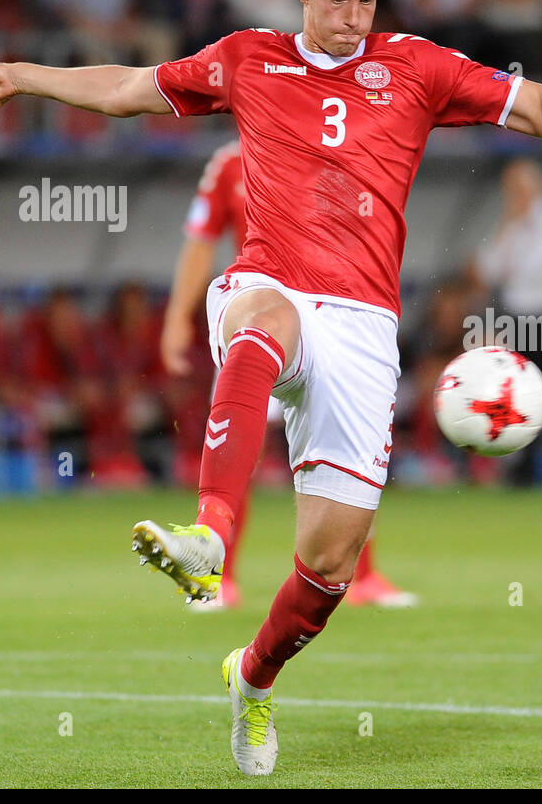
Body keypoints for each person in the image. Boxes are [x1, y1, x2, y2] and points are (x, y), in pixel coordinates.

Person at [0, 0, 542, 777]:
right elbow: (128, 86)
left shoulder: (418, 67)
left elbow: (541, 101)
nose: (352, 16)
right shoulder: (247, 58)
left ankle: (251, 679)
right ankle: (210, 537)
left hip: (364, 327)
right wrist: (21, 78)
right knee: (263, 320)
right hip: (274, 286)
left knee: (328, 566)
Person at [162, 139, 419, 609]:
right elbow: (201, 241)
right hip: (262, 320)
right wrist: (178, 316)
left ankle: (363, 577)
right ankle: (217, 576)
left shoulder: (334, 149)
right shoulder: (228, 164)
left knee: (350, 445)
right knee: (244, 443)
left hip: (327, 325)